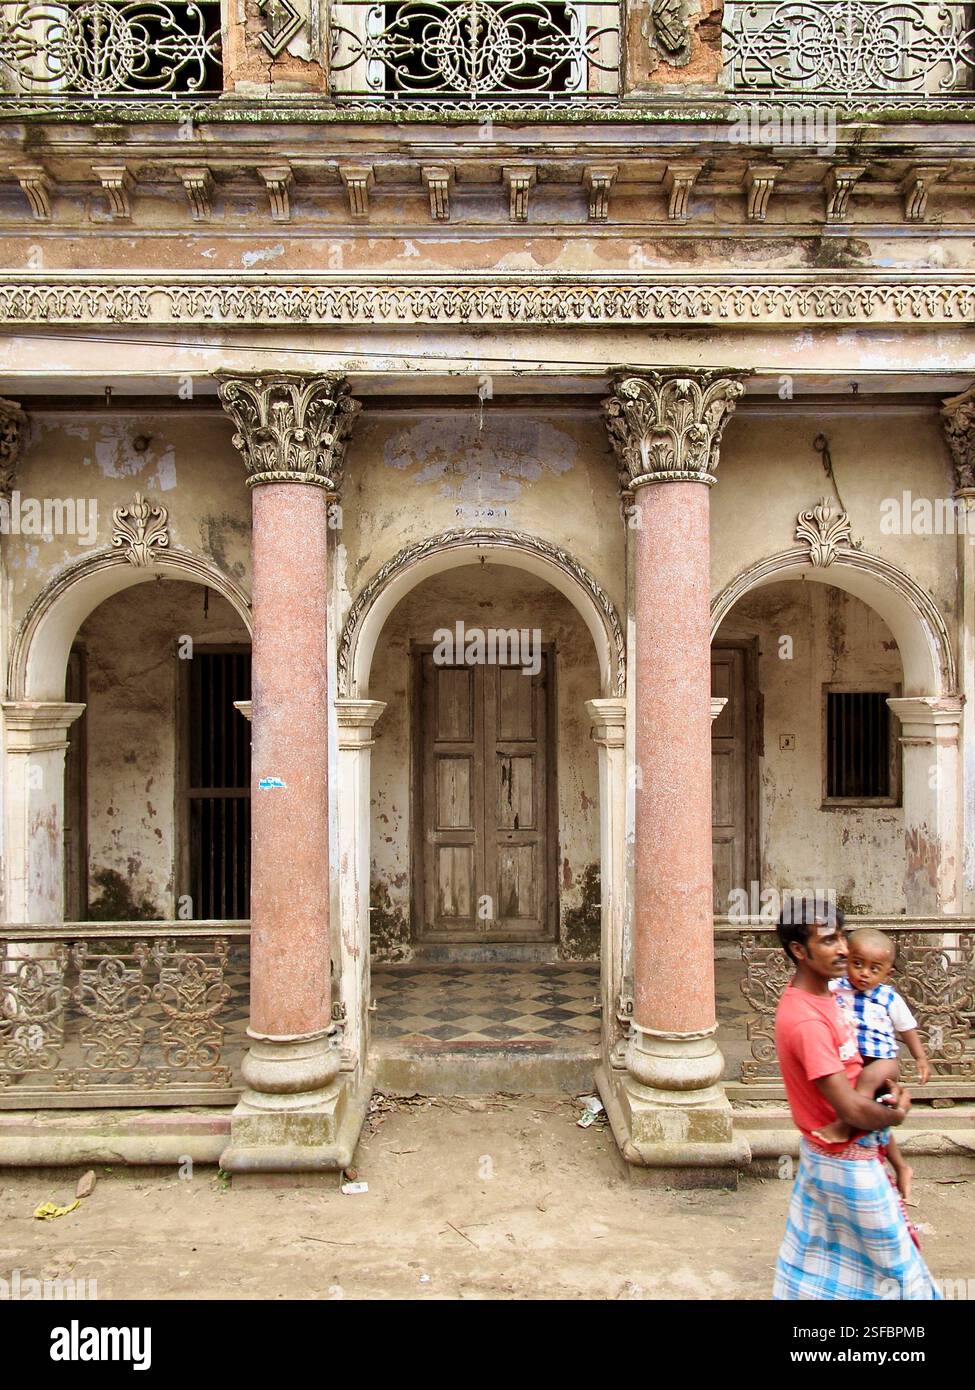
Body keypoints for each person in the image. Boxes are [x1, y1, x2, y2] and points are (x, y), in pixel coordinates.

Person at [772, 898, 941, 1300]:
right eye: (829, 940)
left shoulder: (831, 994)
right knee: (900, 1274)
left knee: (819, 1266)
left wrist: (888, 1084)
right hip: (844, 1161)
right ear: (799, 951)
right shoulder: (807, 1020)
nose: (845, 949)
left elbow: (864, 1064)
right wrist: (895, 1114)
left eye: (843, 936)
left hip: (840, 1152)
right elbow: (849, 1108)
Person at [812, 927, 931, 1204]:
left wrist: (920, 1058)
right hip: (851, 1058)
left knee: (866, 1083)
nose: (864, 973)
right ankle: (901, 1166)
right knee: (875, 1119)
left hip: (883, 1062)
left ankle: (844, 1124)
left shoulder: (888, 997)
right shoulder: (835, 989)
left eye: (874, 968)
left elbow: (907, 1029)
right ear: (847, 961)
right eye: (857, 964)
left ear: (887, 973)